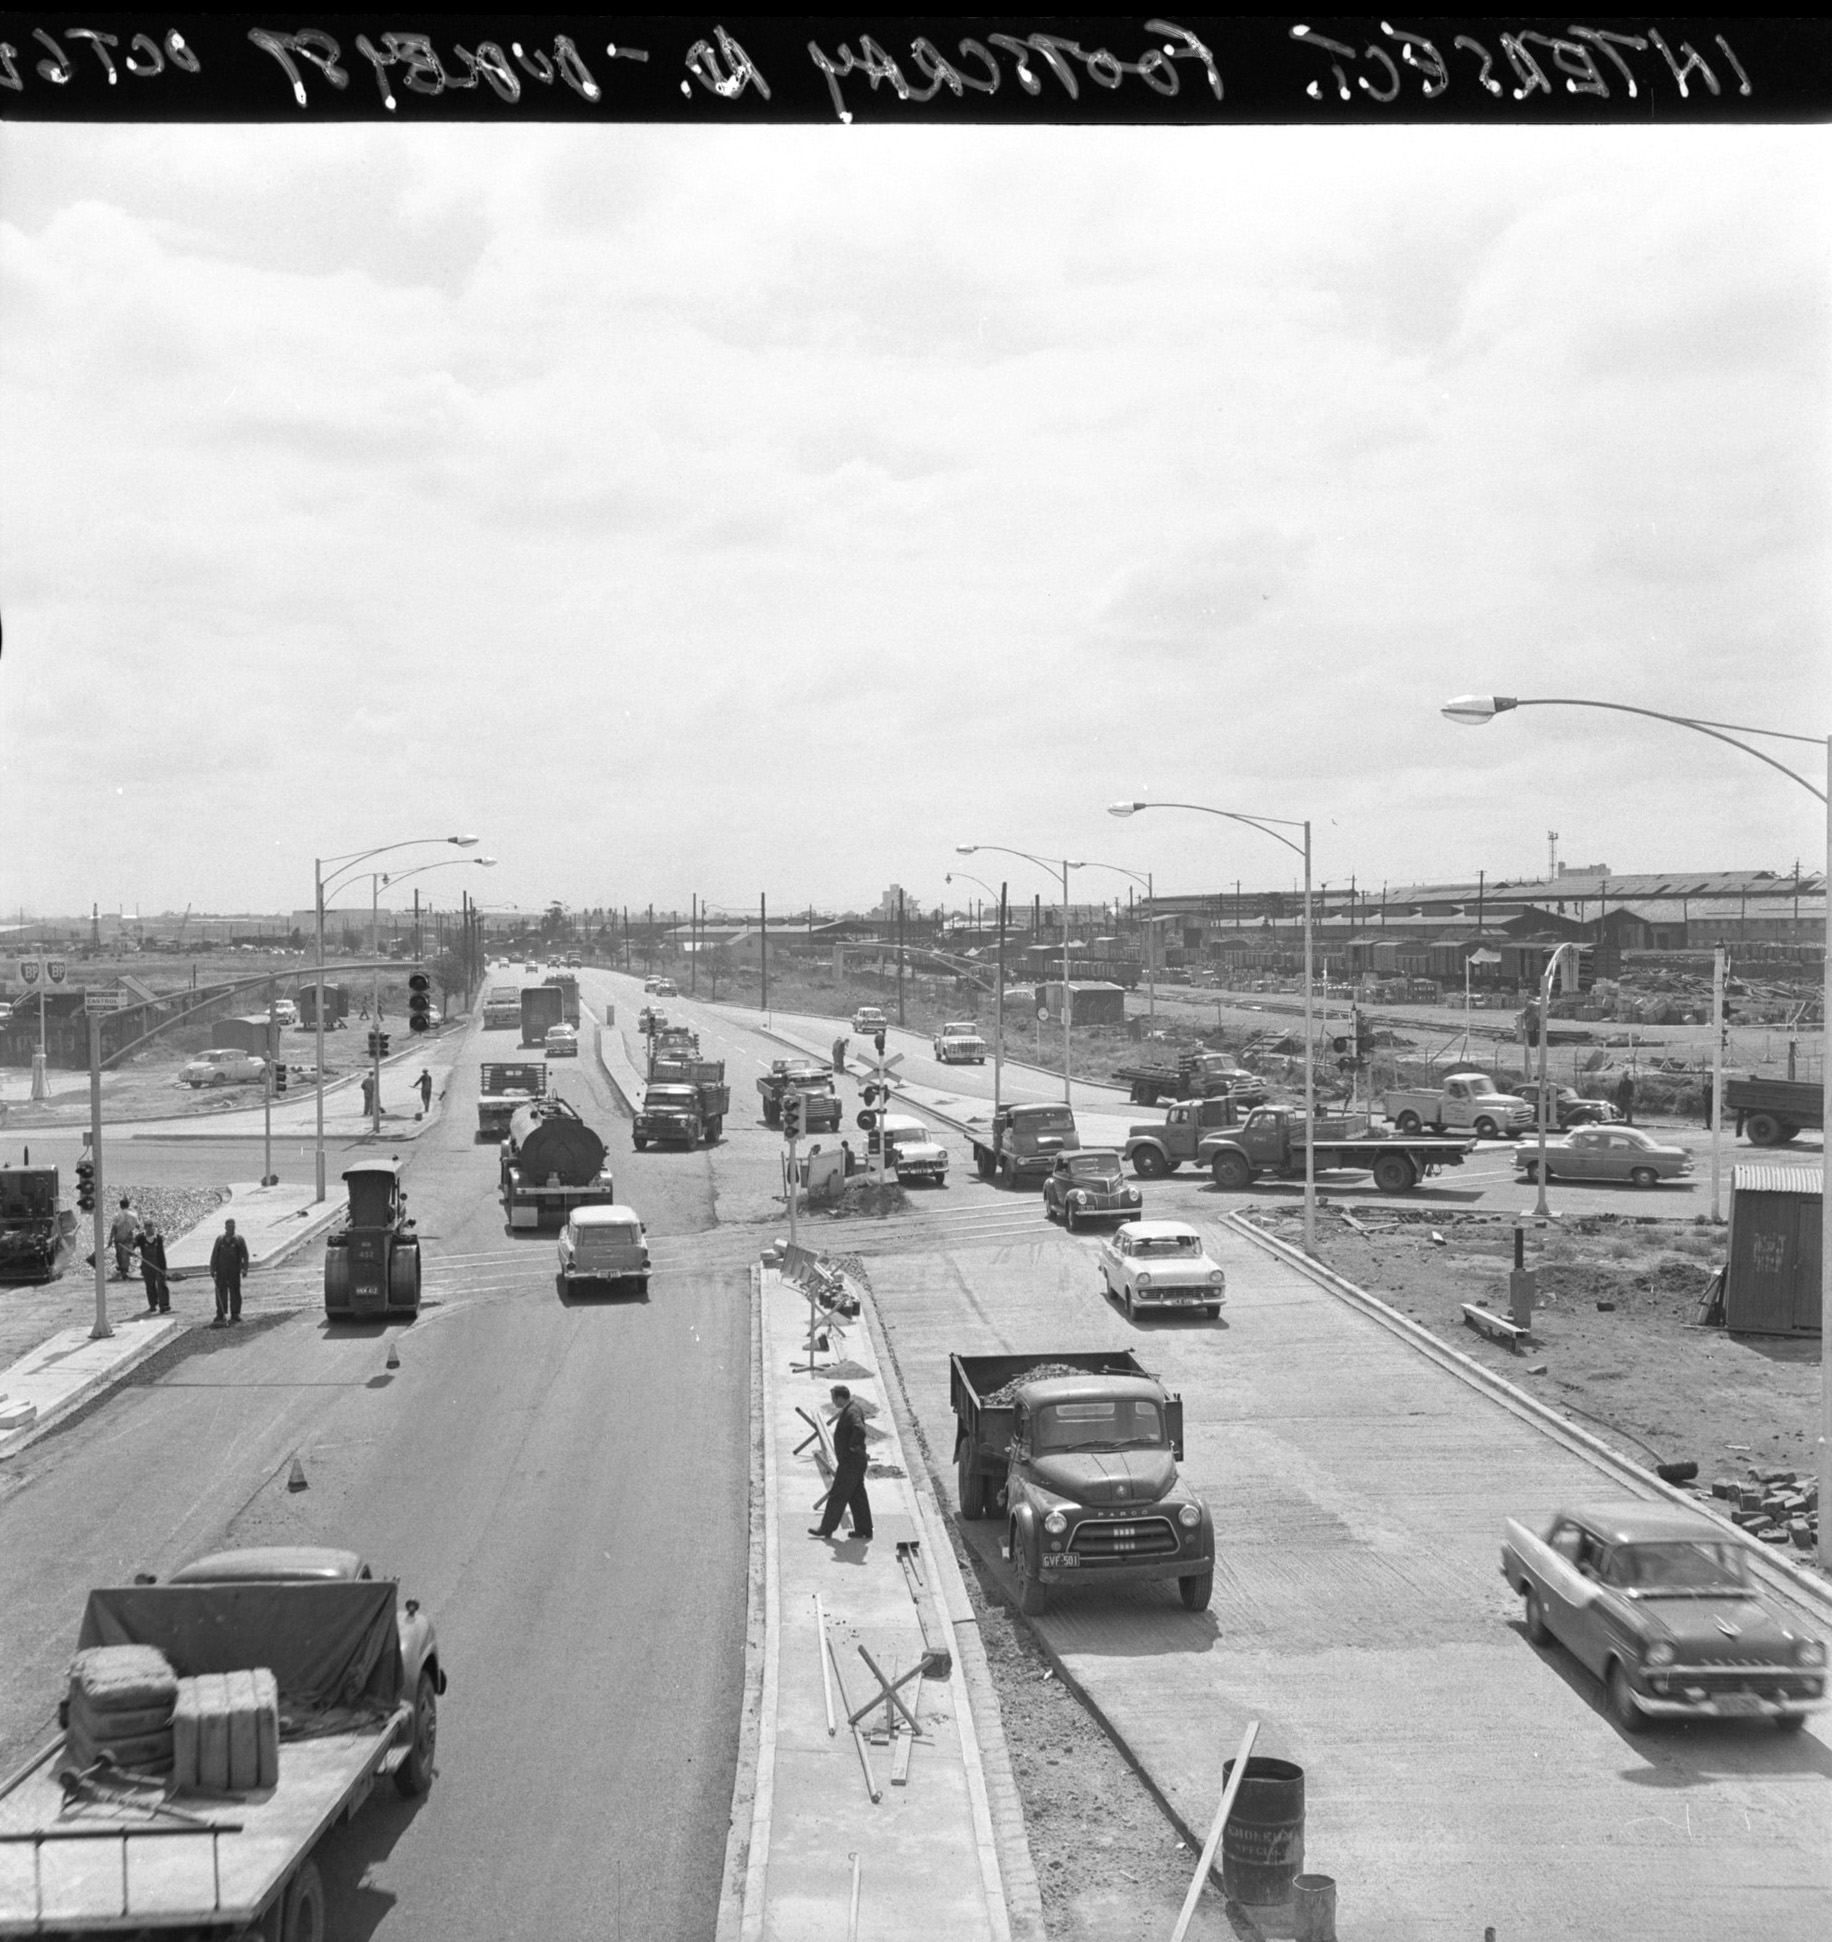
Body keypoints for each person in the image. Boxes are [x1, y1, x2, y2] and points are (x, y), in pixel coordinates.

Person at [809, 1383, 873, 1542]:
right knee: (857, 1496)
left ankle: (826, 1528)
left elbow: (859, 1429)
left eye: (833, 1398)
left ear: (840, 1397)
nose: (833, 1402)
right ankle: (864, 1530)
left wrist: (853, 1446)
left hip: (851, 1463)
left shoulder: (851, 1412)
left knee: (837, 1495)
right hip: (856, 1462)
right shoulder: (853, 1408)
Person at [209, 1217, 250, 1328]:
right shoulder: (220, 1240)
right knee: (221, 1292)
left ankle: (235, 1313)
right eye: (229, 1227)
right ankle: (220, 1313)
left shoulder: (239, 1239)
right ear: (225, 1227)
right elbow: (214, 1254)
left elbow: (245, 1255)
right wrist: (212, 1268)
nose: (230, 1229)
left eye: (232, 1227)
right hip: (221, 1271)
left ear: (234, 1227)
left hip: (234, 1271)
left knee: (235, 1292)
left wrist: (245, 1268)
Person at [138, 1224, 169, 1315]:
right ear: (145, 1228)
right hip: (147, 1266)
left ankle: (164, 1304)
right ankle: (153, 1304)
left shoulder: (158, 1238)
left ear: (153, 1228)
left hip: (158, 1265)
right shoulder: (141, 1238)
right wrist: (130, 1246)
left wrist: (163, 1267)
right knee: (150, 1285)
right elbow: (133, 1243)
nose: (149, 1229)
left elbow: (161, 1253)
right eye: (147, 1227)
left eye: (151, 1227)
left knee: (161, 1284)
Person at [109, 1198, 139, 1280]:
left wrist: (110, 1239)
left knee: (119, 1254)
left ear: (120, 1205)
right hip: (128, 1237)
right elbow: (138, 1226)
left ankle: (122, 1270)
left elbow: (114, 1228)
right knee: (126, 1255)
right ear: (128, 1205)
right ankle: (124, 1271)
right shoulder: (133, 1215)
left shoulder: (117, 1215)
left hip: (118, 1238)